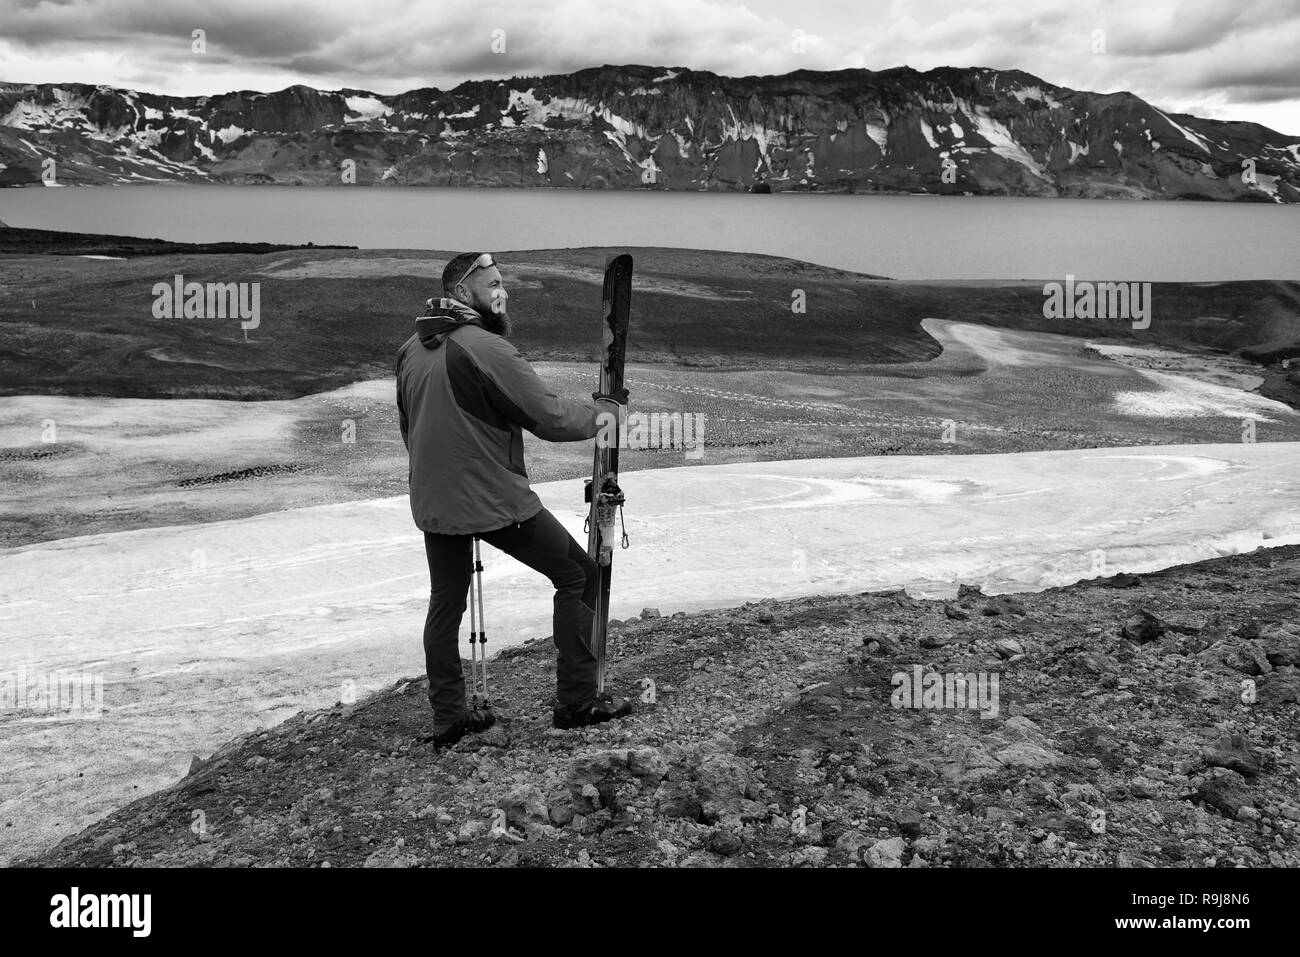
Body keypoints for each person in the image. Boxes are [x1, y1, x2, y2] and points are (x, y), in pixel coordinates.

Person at [395, 252, 634, 747]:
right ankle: (577, 701)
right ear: (463, 293)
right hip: (492, 498)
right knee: (577, 575)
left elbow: (408, 428)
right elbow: (548, 417)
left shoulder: (410, 351)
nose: (503, 293)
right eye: (494, 283)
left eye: (504, 283)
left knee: (445, 604)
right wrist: (604, 413)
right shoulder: (485, 348)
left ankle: (449, 720)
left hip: (437, 502)